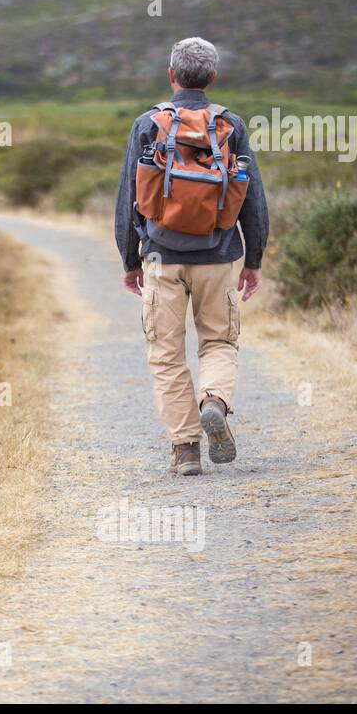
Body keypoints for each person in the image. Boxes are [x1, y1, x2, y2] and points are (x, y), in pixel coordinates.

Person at [113, 37, 268, 476]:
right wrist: (253, 260)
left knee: (166, 353)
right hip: (218, 256)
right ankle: (214, 401)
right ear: (213, 77)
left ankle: (185, 450)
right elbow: (253, 198)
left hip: (161, 257)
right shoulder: (231, 125)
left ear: (171, 75)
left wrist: (130, 261)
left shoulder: (148, 124)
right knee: (218, 341)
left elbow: (129, 199)